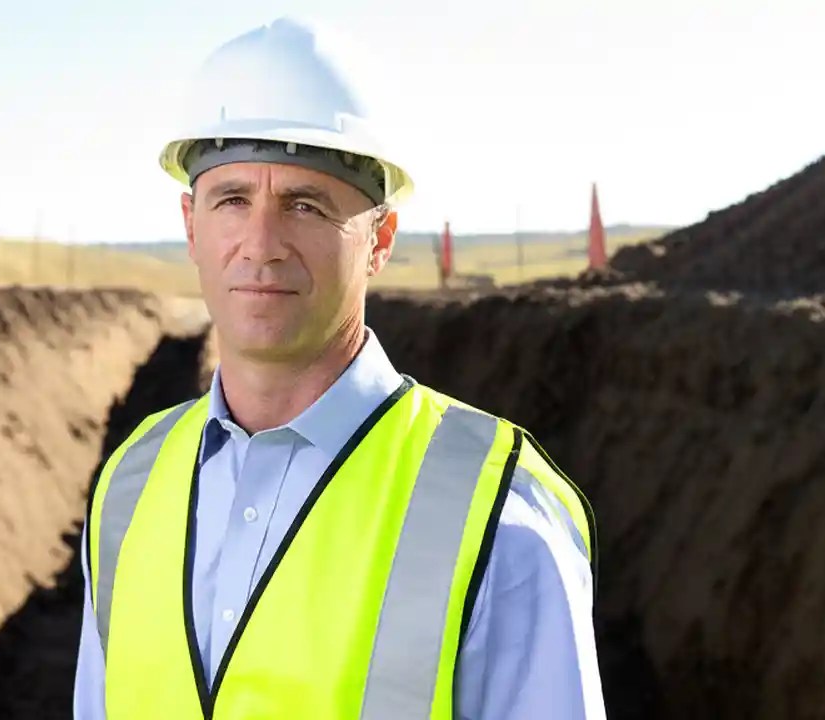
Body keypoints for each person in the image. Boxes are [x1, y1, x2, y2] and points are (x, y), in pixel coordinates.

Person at [73, 16, 604, 719]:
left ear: (380, 238)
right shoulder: (128, 488)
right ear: (191, 223)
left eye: (305, 205)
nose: (261, 245)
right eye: (232, 199)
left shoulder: (498, 516)